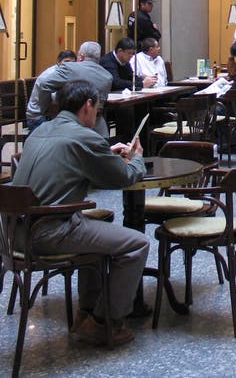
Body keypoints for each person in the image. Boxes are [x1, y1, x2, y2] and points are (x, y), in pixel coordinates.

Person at [13, 78, 149, 347]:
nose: (97, 116)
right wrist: (136, 157)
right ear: (87, 106)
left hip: (12, 232)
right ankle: (102, 323)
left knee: (95, 235)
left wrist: (102, 154)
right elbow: (124, 176)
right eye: (97, 110)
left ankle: (86, 314)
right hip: (49, 231)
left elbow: (67, 161)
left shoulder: (39, 132)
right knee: (137, 244)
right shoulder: (84, 137)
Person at [39, 41, 112, 138]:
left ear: (81, 56)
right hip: (98, 129)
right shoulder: (107, 76)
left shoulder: (69, 68)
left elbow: (44, 84)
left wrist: (45, 110)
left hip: (69, 127)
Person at [25, 49, 77, 132]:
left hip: (48, 114)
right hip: (38, 117)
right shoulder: (51, 75)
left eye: (73, 63)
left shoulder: (64, 73)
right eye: (66, 62)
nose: (69, 65)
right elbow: (54, 103)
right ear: (58, 62)